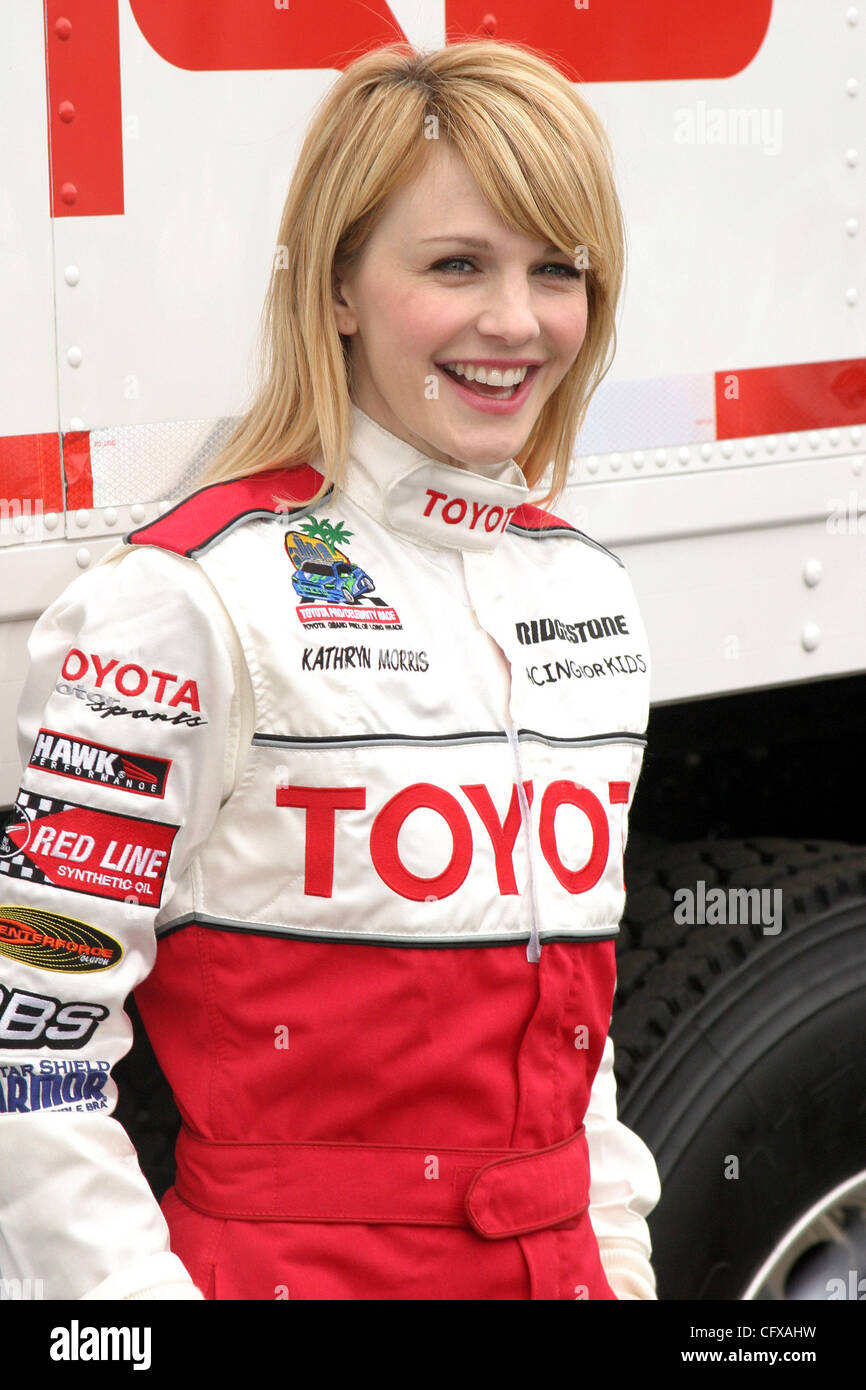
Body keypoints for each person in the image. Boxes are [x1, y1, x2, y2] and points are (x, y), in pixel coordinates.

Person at [0, 38, 660, 1300]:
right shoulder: (179, 599)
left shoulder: (587, 593)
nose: (515, 322)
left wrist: (620, 1260)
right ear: (340, 287)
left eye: (555, 270)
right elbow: (30, 1031)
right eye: (456, 264)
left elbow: (575, 1021)